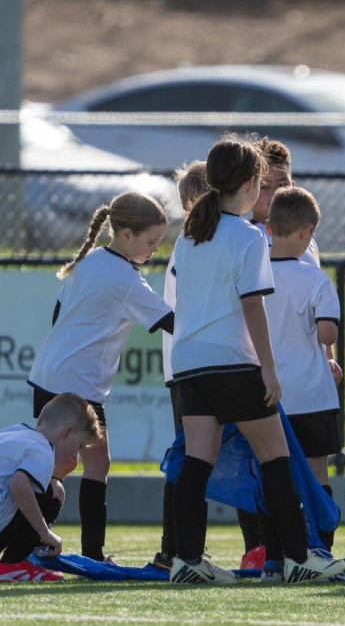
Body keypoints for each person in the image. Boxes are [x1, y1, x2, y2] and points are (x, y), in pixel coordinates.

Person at [168, 136, 345, 584]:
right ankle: (298, 557)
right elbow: (252, 306)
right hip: (233, 361)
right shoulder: (248, 236)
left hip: (190, 363)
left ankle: (185, 560)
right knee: (276, 457)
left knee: (197, 460)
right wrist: (267, 367)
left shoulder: (189, 237)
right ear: (251, 184)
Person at [26, 191, 175, 562]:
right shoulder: (125, 279)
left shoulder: (90, 260)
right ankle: (81, 552)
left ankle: (34, 544)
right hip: (76, 384)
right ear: (125, 234)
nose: (155, 250)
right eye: (151, 242)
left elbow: (58, 313)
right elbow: (174, 322)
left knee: (51, 465)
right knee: (85, 464)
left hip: (48, 373)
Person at [254, 186, 344, 580]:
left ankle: (274, 558)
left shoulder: (254, 277)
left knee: (274, 475)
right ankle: (319, 550)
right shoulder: (316, 278)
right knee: (317, 473)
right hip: (312, 394)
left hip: (270, 396)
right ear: (307, 232)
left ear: (270, 227)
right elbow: (327, 334)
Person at [0, 393, 102, 583]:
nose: (75, 456)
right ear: (66, 433)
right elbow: (19, 484)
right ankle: (12, 565)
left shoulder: (13, 433)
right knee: (55, 491)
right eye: (79, 446)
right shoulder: (43, 449)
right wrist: (44, 533)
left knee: (15, 498)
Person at [152, 161, 226, 572]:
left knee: (195, 455)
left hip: (193, 364)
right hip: (190, 368)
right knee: (187, 455)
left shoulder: (197, 242)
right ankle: (173, 548)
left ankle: (179, 548)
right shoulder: (193, 244)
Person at [251, 137, 320, 267]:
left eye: (282, 185)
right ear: (250, 189)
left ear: (293, 187)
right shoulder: (247, 239)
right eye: (264, 186)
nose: (274, 194)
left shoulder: (307, 239)